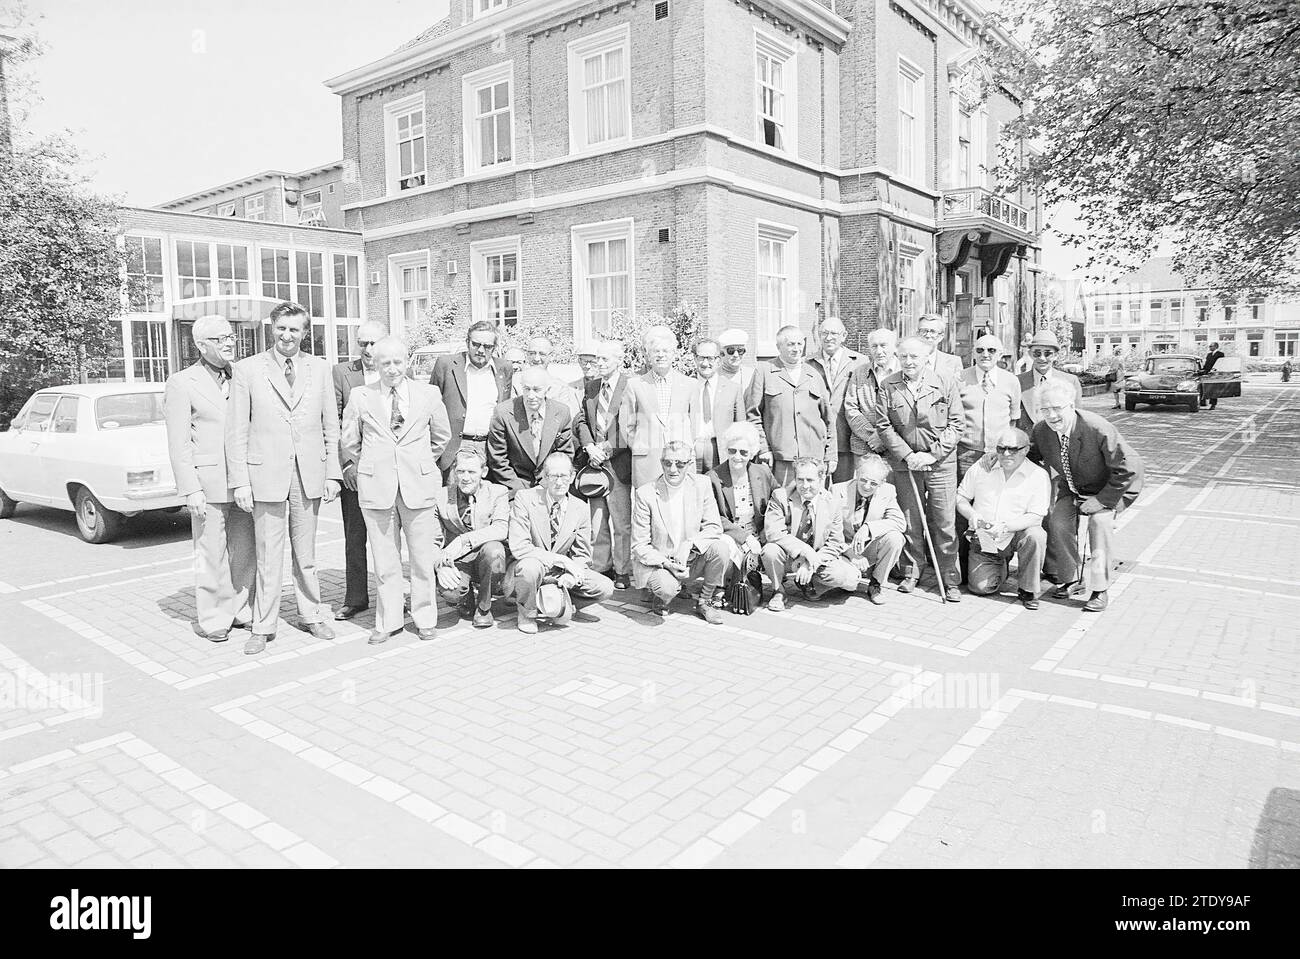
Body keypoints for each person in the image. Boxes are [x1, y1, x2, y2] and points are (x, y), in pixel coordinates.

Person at [226, 302, 342, 655]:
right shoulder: (247, 370)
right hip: (265, 476)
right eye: (281, 329)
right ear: (271, 328)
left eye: (294, 329)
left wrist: (332, 474)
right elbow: (236, 431)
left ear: (305, 332)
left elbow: (330, 426)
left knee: (305, 553)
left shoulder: (320, 369)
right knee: (267, 554)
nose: (287, 336)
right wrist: (241, 482)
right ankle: (263, 625)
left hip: (308, 474)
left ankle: (312, 614)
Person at [340, 337, 452, 644]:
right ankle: (388, 621)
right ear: (374, 365)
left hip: (418, 485)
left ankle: (425, 617)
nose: (392, 369)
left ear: (407, 362)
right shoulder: (361, 396)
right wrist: (374, 464)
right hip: (378, 488)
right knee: (385, 560)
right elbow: (349, 440)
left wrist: (419, 462)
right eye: (385, 363)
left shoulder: (428, 394)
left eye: (397, 362)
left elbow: (442, 436)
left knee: (421, 558)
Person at [164, 315, 255, 643]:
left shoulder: (244, 375)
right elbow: (179, 444)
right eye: (220, 339)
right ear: (201, 345)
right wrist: (191, 489)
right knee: (210, 552)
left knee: (245, 550)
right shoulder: (182, 383)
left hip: (244, 482)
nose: (230, 342)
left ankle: (241, 608)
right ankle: (214, 617)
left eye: (231, 336)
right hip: (208, 485)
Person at [1030, 379, 1144, 612]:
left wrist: (1102, 501)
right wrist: (1000, 454)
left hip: (1111, 488)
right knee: (1058, 522)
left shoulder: (1096, 427)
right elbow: (1030, 454)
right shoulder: (1042, 430)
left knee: (1099, 525)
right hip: (1073, 488)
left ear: (1071, 405)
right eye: (1045, 409)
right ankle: (1072, 579)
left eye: (1057, 408)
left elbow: (1129, 467)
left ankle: (1099, 589)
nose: (1051, 415)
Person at [873, 335, 963, 601]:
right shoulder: (888, 385)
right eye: (904, 357)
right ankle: (912, 570)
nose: (909, 362)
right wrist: (908, 455)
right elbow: (883, 425)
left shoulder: (944, 381)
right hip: (906, 465)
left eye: (914, 357)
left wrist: (931, 456)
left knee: (944, 522)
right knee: (911, 521)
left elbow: (956, 424)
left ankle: (949, 577)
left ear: (926, 357)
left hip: (941, 464)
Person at [506, 452, 615, 634]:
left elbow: (582, 554)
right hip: (532, 566)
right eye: (553, 476)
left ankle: (557, 604)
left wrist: (572, 576)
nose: (558, 482)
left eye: (563, 476)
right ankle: (527, 613)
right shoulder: (525, 498)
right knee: (529, 568)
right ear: (545, 478)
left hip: (559, 574)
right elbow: (520, 547)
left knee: (604, 587)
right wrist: (561, 560)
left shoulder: (580, 507)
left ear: (572, 477)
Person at [631, 440, 731, 624]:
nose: (673, 469)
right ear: (661, 463)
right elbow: (639, 545)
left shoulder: (702, 484)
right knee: (666, 589)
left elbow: (714, 527)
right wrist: (667, 564)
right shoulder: (646, 493)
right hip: (661, 563)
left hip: (690, 559)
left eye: (680, 464)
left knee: (721, 549)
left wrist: (689, 544)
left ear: (690, 464)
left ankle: (704, 601)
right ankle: (660, 595)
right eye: (668, 463)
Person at [332, 320, 389, 622]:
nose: (368, 349)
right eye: (362, 343)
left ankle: (391, 597)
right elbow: (335, 423)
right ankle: (355, 598)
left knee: (389, 536)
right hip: (355, 470)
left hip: (388, 471)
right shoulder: (342, 373)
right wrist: (346, 466)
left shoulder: (395, 368)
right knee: (355, 537)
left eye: (373, 343)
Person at [956, 428, 1050, 610]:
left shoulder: (1038, 475)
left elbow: (1036, 515)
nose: (1006, 454)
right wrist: (972, 514)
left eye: (1013, 449)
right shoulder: (981, 467)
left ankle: (1028, 589)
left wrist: (1006, 527)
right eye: (1001, 448)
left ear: (1025, 450)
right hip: (985, 536)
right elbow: (961, 498)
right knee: (981, 588)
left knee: (1036, 536)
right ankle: (1001, 566)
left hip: (1016, 533)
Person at [760, 457, 860, 611]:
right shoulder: (780, 496)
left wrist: (811, 563)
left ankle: (810, 584)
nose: (805, 486)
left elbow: (835, 543)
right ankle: (778, 591)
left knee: (839, 575)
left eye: (810, 480)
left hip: (817, 557)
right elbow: (773, 532)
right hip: (788, 557)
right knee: (770, 551)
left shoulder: (832, 503)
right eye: (800, 480)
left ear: (821, 479)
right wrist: (806, 551)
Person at [574, 338, 632, 589]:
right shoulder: (592, 386)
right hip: (594, 463)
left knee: (621, 521)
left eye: (605, 359)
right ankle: (601, 567)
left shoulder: (631, 385)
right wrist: (589, 447)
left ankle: (622, 569)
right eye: (597, 358)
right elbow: (581, 421)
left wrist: (605, 450)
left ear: (619, 360)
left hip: (618, 462)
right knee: (597, 520)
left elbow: (632, 424)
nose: (599, 363)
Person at [431, 447, 510, 629]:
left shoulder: (498, 492)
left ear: (484, 472)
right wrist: (439, 566)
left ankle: (484, 608)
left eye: (471, 472)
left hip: (486, 556)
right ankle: (464, 598)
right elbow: (431, 540)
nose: (465, 477)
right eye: (460, 471)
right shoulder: (441, 496)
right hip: (458, 561)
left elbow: (500, 528)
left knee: (495, 551)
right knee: (451, 593)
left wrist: (463, 540)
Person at [748, 325, 832, 486]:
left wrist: (830, 455)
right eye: (790, 344)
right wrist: (764, 449)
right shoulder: (764, 371)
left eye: (800, 344)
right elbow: (753, 415)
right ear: (778, 347)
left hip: (813, 459)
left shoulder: (813, 374)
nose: (796, 349)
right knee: (782, 504)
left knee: (813, 505)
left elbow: (828, 419)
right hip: (780, 459)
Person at [430, 321, 512, 482]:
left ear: (494, 348)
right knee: (453, 500)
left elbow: (504, 409)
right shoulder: (446, 364)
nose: (481, 350)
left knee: (487, 498)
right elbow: (430, 408)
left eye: (487, 346)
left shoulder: (504, 368)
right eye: (476, 344)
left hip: (489, 447)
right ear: (467, 342)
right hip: (456, 446)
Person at [619, 327, 695, 487]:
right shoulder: (635, 385)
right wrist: (641, 446)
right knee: (648, 507)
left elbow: (695, 423)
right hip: (647, 462)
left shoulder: (690, 385)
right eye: (656, 351)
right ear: (648, 355)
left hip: (681, 461)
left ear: (674, 354)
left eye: (666, 351)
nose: (661, 355)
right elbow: (627, 426)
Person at [707, 421, 779, 589]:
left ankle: (774, 588)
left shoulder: (763, 472)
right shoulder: (713, 477)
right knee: (724, 545)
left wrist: (765, 532)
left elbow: (777, 501)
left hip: (758, 535)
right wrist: (744, 537)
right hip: (731, 535)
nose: (737, 456)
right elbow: (714, 517)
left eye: (743, 452)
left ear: (752, 453)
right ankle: (723, 583)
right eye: (732, 450)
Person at [486, 366, 575, 492]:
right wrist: (521, 490)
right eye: (526, 389)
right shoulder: (503, 412)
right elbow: (498, 459)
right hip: (515, 485)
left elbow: (564, 455)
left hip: (549, 485)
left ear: (547, 390)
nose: (530, 395)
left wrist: (545, 484)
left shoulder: (561, 412)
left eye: (537, 390)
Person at [833, 453, 906, 605]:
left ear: (882, 483)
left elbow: (899, 522)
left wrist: (869, 527)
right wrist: (851, 554)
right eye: (863, 480)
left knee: (895, 538)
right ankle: (846, 577)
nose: (867, 486)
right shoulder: (837, 491)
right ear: (856, 474)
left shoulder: (888, 491)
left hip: (867, 548)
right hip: (842, 549)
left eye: (873, 483)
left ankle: (876, 584)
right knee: (850, 583)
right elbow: (830, 533)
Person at [808, 316, 864, 483]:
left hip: (845, 437)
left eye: (834, 333)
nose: (829, 337)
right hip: (817, 440)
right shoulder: (808, 363)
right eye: (824, 333)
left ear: (844, 336)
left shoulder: (859, 362)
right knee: (816, 490)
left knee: (843, 492)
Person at [843, 327, 899, 472]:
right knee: (865, 489)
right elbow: (851, 408)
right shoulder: (859, 373)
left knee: (891, 492)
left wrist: (885, 437)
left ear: (894, 346)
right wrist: (871, 436)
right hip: (863, 446)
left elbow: (908, 413)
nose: (879, 351)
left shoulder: (904, 372)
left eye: (883, 345)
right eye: (874, 346)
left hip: (896, 447)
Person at [687, 338, 746, 473]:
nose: (705, 363)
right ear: (695, 359)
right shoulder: (686, 386)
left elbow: (741, 426)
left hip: (721, 451)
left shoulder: (733, 389)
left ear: (719, 360)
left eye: (710, 358)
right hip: (692, 451)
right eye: (701, 357)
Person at [1017, 330, 1083, 428]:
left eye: (1048, 354)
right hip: (1026, 440)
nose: (1042, 358)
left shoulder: (1070, 381)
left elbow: (1076, 419)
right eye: (1037, 353)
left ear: (1056, 355)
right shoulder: (1017, 382)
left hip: (1056, 440)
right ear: (1030, 354)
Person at [512, 335, 580, 415]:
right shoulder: (515, 382)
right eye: (532, 353)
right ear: (527, 355)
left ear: (551, 356)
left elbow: (566, 417)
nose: (536, 358)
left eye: (542, 354)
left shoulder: (560, 388)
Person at [918, 314, 963, 380]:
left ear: (941, 337)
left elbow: (958, 389)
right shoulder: (902, 360)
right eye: (923, 331)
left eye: (933, 331)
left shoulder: (953, 363)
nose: (927, 335)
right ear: (917, 334)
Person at [717, 328, 756, 396]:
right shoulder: (714, 375)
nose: (736, 355)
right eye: (731, 351)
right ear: (722, 353)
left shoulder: (752, 375)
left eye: (740, 351)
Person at [1200, 342, 1225, 409]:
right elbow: (1206, 364)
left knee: (1214, 389)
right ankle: (1203, 401)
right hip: (1207, 373)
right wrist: (1203, 370)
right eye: (1209, 346)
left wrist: (1216, 371)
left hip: (1215, 373)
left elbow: (1221, 364)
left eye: (1211, 346)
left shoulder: (1220, 354)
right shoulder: (1209, 354)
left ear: (1216, 347)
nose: (1210, 348)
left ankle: (1213, 404)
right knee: (1205, 387)